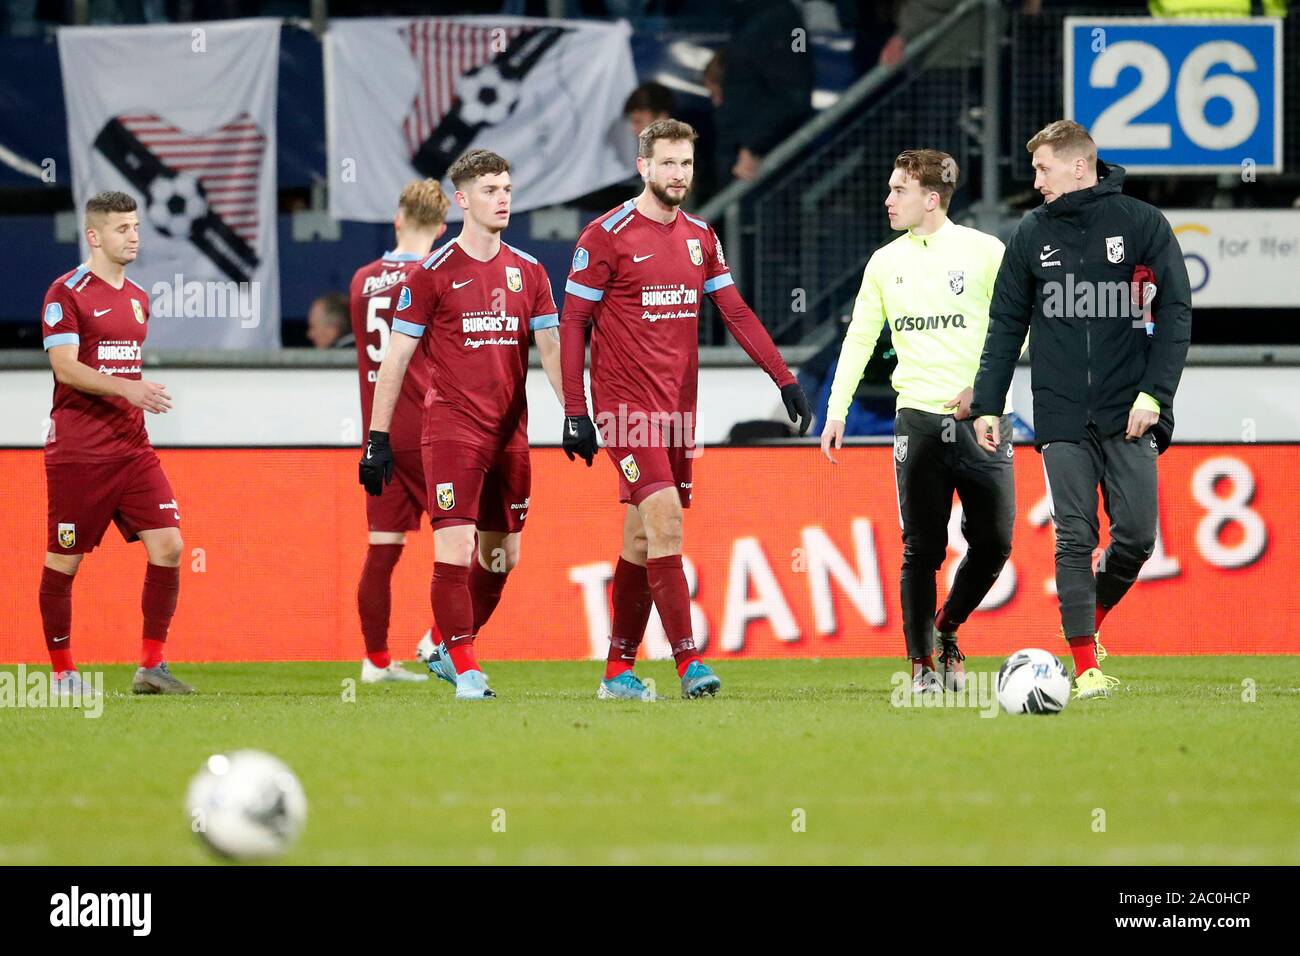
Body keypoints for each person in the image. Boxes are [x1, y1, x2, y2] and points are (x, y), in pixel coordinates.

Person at [560, 118, 812, 701]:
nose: (679, 174)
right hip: (625, 410)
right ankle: (688, 663)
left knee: (641, 541)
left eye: (687, 163)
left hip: (677, 413)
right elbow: (574, 323)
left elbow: (736, 313)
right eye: (668, 162)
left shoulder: (700, 236)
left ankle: (617, 673)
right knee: (667, 520)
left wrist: (784, 379)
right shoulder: (606, 235)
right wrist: (576, 409)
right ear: (642, 166)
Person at [970, 119, 1192, 700]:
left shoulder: (1141, 223)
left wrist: (1156, 394)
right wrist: (987, 404)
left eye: (1043, 168)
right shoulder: (1030, 233)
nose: (1036, 180)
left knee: (1137, 537)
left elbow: (1176, 312)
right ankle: (1085, 664)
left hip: (1130, 409)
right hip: (1062, 411)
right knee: (1074, 536)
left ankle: (1088, 621)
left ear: (1078, 166)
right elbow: (1005, 325)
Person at [359, 149, 564, 701]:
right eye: (491, 190)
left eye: (506, 189)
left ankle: (448, 645)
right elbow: (395, 360)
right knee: (454, 547)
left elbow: (551, 348)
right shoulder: (432, 274)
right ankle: (467, 670)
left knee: (501, 556)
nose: (502, 199)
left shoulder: (530, 271)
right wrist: (377, 439)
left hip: (510, 437)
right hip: (452, 431)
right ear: (462, 199)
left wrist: (575, 413)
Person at [821, 149, 1014, 693]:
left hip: (982, 420)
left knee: (996, 542)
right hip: (917, 421)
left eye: (898, 190)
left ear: (931, 199)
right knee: (921, 550)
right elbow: (860, 337)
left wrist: (986, 388)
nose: (887, 200)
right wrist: (837, 410)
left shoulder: (985, 252)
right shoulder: (885, 262)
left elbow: (1015, 324)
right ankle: (922, 665)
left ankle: (948, 627)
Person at [39, 190, 193, 696]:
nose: (133, 236)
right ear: (94, 236)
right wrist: (128, 387)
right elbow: (64, 367)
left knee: (169, 545)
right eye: (122, 229)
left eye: (135, 227)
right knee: (65, 560)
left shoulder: (138, 298)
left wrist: (132, 396)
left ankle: (151, 668)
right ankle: (63, 674)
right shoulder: (66, 293)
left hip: (132, 448)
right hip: (80, 452)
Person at [348, 179, 450, 685]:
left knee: (383, 547)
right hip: (427, 426)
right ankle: (439, 639)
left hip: (378, 432)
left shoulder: (362, 278)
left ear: (397, 218)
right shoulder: (433, 275)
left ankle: (375, 661)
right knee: (467, 543)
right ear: (442, 226)